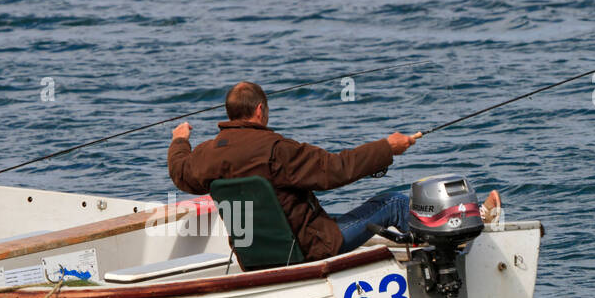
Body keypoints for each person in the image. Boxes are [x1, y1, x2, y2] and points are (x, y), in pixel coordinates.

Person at [168, 81, 421, 261]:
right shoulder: (278, 150)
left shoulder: (205, 154)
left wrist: (180, 139)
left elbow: (180, 172)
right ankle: (437, 261)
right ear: (259, 111)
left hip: (252, 255)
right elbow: (336, 169)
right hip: (309, 248)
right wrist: (386, 148)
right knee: (395, 203)